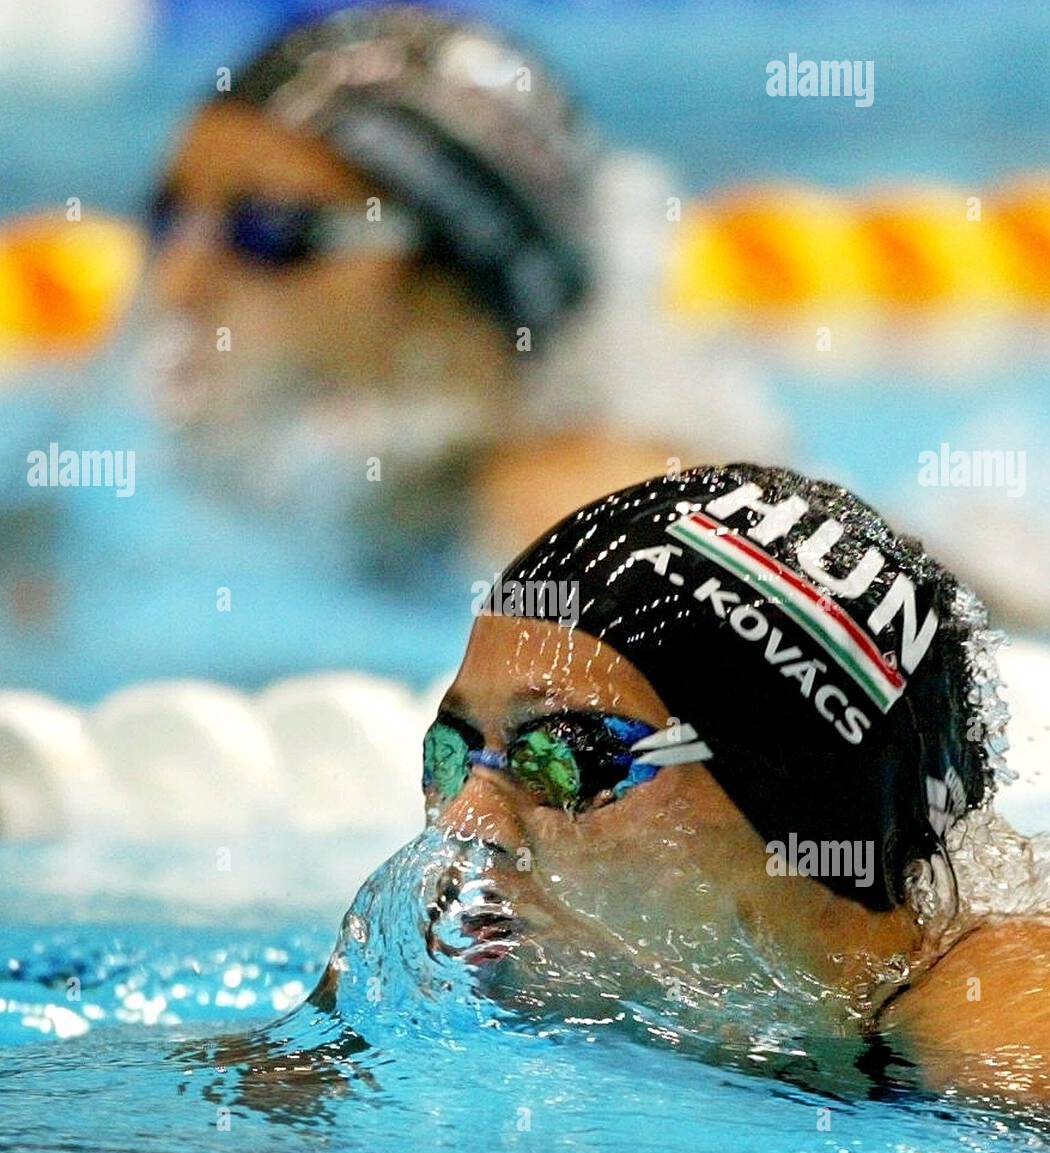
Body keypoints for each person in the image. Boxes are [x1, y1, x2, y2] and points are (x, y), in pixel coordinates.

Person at [316, 462, 1050, 1104]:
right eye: (453, 752)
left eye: (567, 756)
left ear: (795, 801)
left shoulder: (994, 1026)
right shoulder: (436, 969)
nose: (466, 820)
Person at [140, 1, 782, 579]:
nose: (177, 284)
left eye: (267, 231)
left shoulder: (576, 519)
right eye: (169, 217)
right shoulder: (386, 486)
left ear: (448, 276)